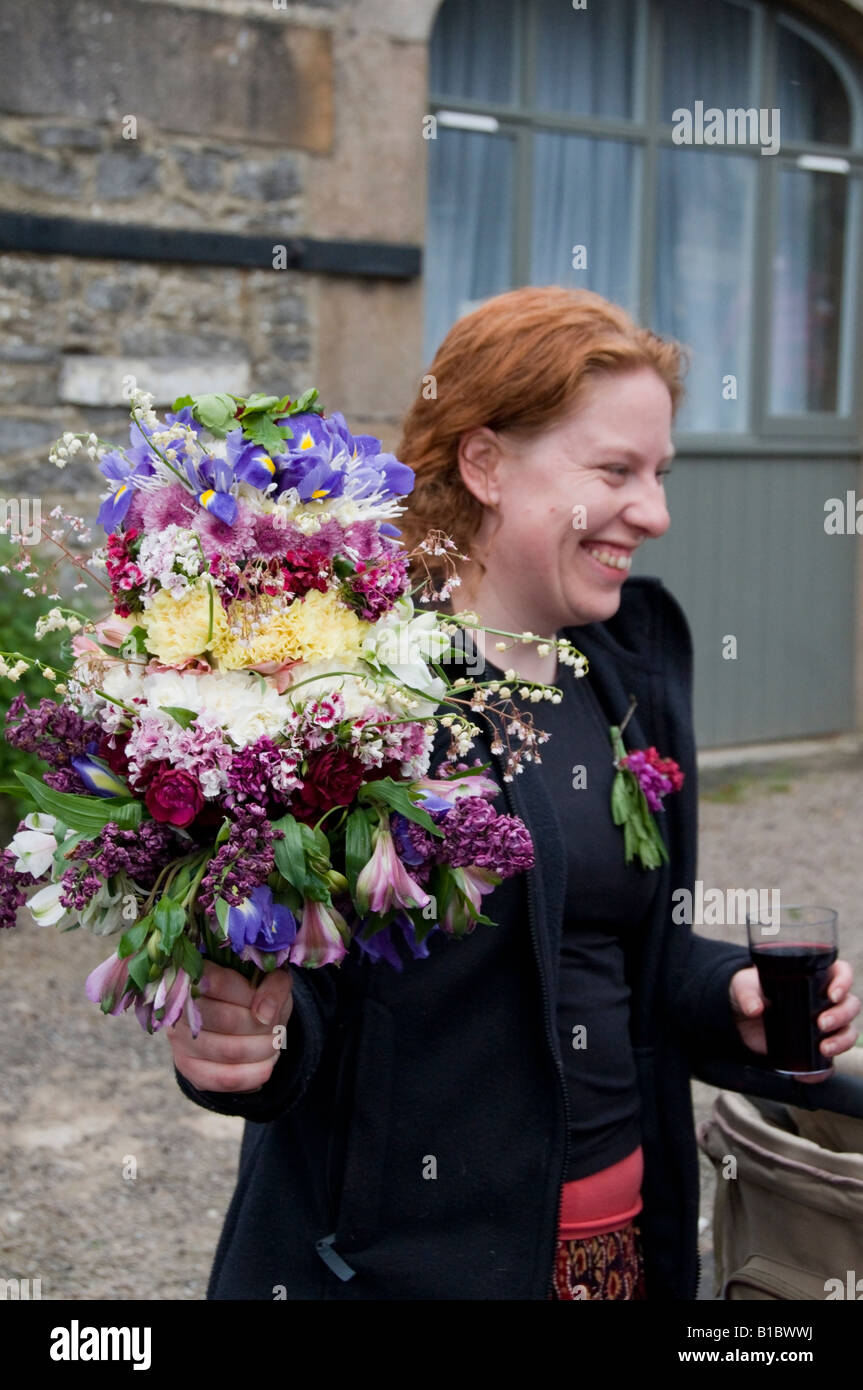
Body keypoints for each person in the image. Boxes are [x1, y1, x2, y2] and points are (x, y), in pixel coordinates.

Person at [167, 286, 859, 1300]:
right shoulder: (340, 674)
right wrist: (242, 1038)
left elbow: (619, 947)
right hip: (402, 1268)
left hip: (622, 1252)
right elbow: (292, 978)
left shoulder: (626, 660)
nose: (655, 513)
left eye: (658, 473)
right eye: (615, 471)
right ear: (484, 463)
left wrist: (725, 996)